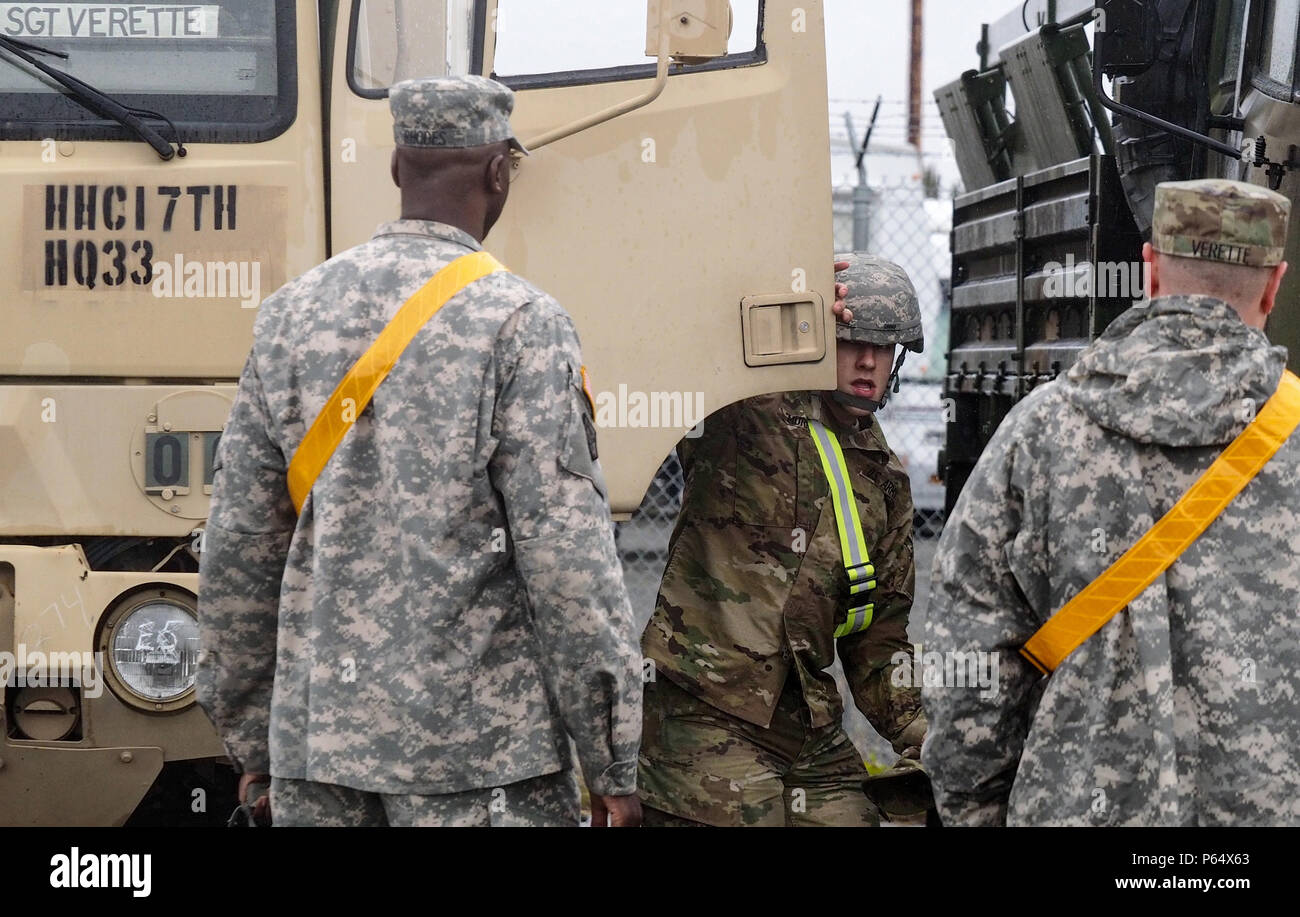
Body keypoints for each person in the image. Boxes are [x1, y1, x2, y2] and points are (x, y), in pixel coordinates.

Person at [196, 75, 642, 827]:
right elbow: (566, 562)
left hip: (318, 755)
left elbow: (240, 545)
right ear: (500, 171)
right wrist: (611, 760)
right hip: (481, 768)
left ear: (398, 168)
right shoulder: (522, 323)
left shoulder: (289, 316)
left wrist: (254, 742)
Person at [923, 178, 1300, 826]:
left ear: (1150, 270)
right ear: (1274, 285)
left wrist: (977, 812)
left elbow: (968, 672)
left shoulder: (1038, 434)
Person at [637, 254, 929, 826]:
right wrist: (777, 286)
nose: (868, 360)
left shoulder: (885, 480)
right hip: (704, 708)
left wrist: (928, 734)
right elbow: (676, 319)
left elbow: (878, 642)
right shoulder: (744, 409)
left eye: (884, 346)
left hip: (805, 725)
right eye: (851, 341)